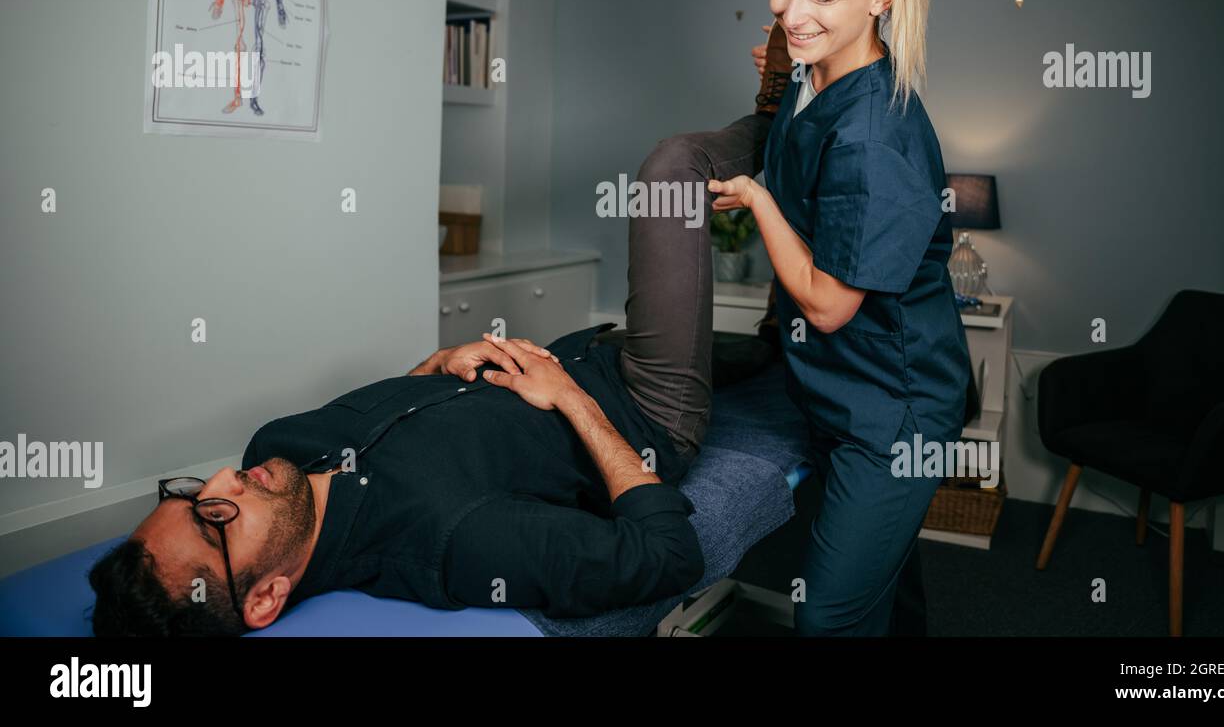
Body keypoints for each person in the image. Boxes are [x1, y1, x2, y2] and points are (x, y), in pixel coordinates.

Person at [87, 98, 778, 637]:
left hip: (583, 345)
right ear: (265, 597)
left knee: (784, 347)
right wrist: (572, 400)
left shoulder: (276, 450)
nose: (218, 479)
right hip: (644, 403)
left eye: (184, 493)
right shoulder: (455, 541)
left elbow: (400, 416)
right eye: (213, 517)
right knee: (673, 170)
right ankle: (785, 118)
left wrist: (434, 364)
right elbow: (668, 555)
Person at [710, 0, 971, 635]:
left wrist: (755, 197)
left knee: (829, 615)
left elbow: (826, 304)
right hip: (834, 387)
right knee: (885, 579)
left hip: (895, 408)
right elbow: (787, 74)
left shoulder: (873, 138)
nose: (793, 14)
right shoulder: (812, 68)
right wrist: (778, 73)